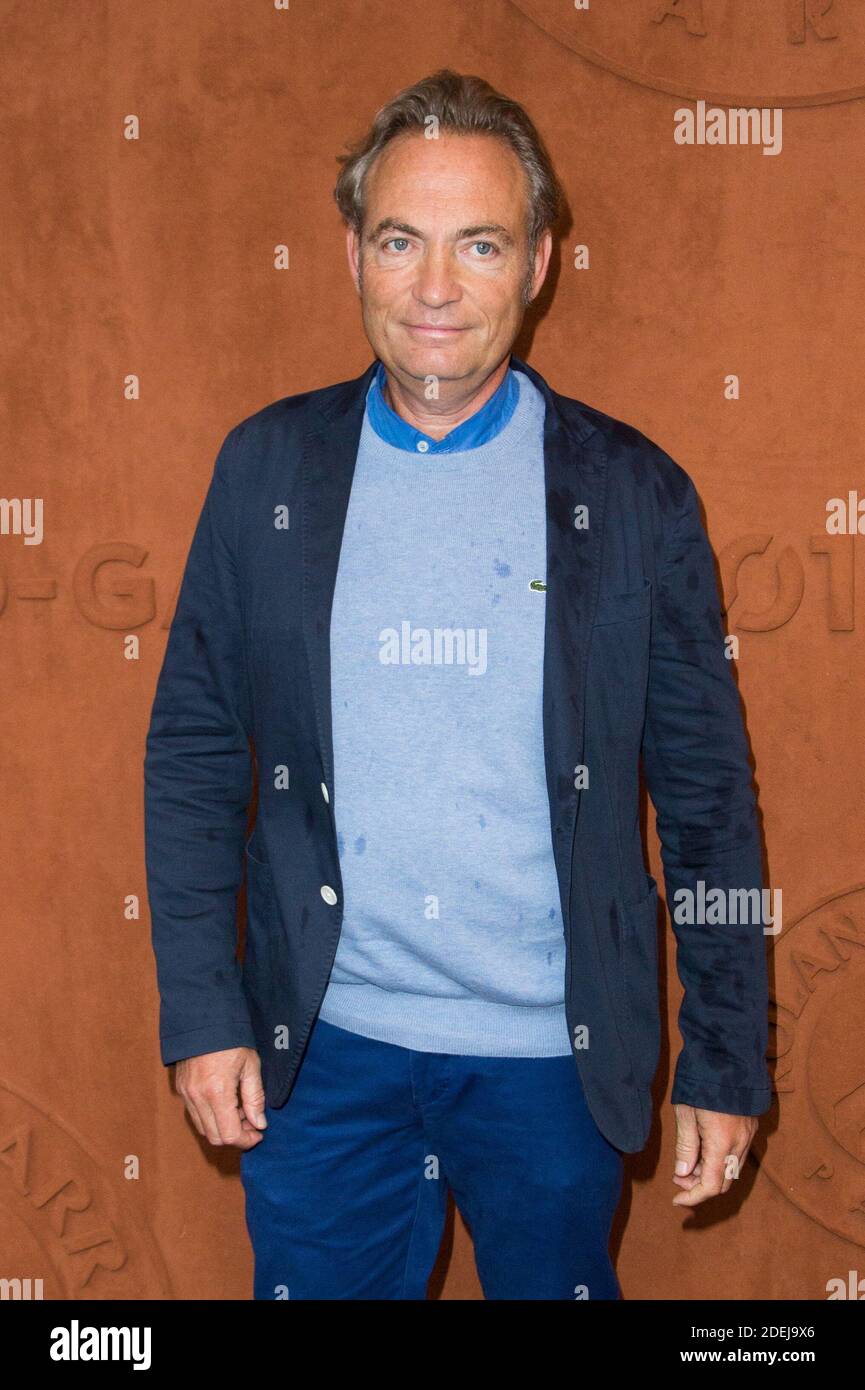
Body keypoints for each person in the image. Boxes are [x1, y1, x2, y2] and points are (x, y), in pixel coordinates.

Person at [143, 68, 771, 1301]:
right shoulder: (265, 469)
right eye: (400, 240)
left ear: (537, 263)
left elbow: (711, 807)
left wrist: (727, 1058)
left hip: (550, 1061)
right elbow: (195, 754)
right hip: (324, 1055)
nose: (435, 288)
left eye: (478, 243)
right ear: (353, 254)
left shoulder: (635, 494)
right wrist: (201, 1008)